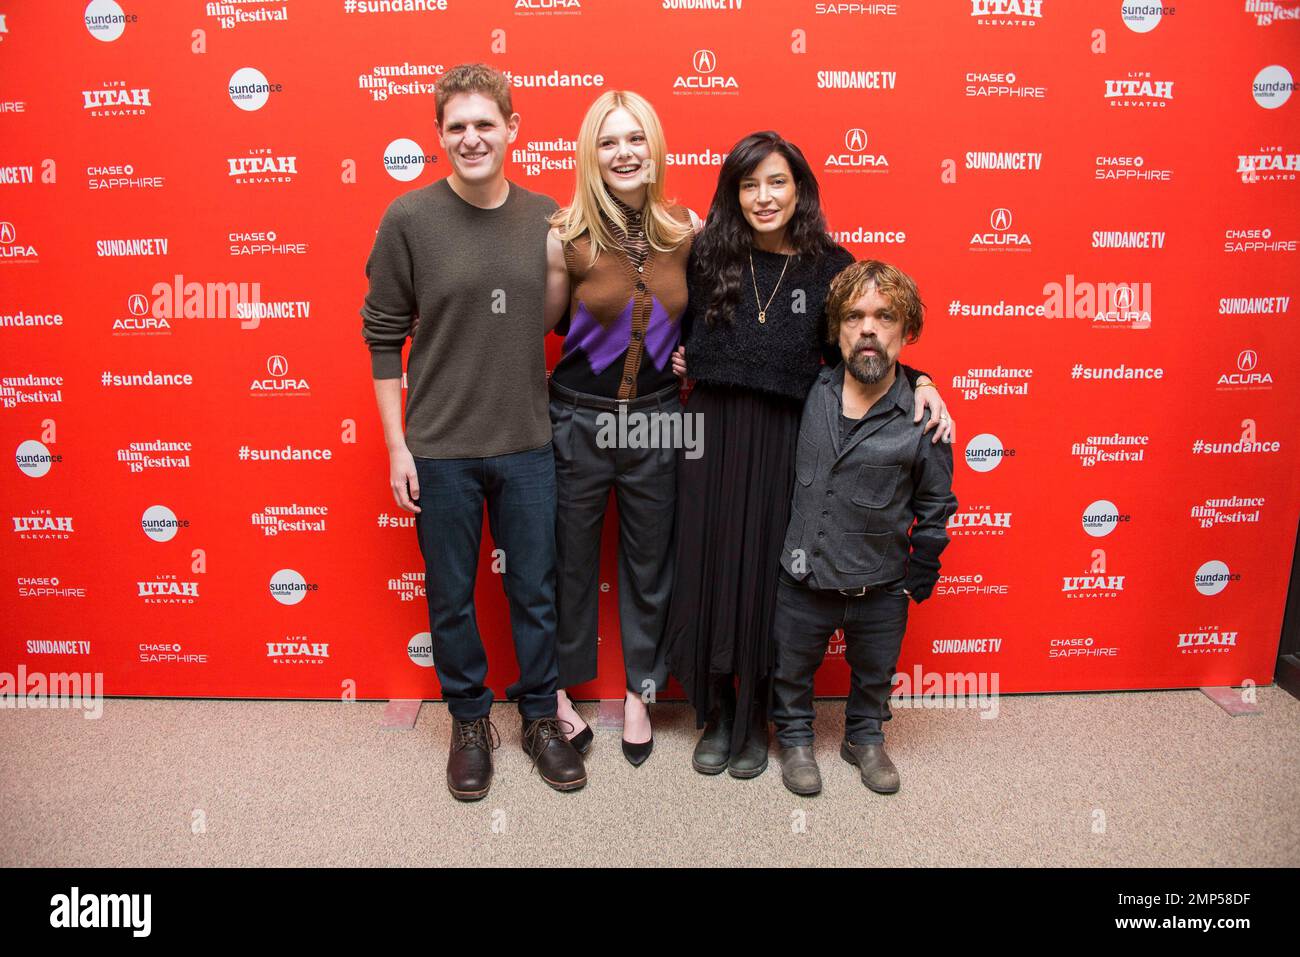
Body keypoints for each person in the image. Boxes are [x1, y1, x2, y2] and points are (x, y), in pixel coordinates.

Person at [665, 131, 955, 780]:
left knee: (768, 582)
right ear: (732, 192)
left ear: (801, 189)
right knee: (713, 571)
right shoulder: (707, 253)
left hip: (786, 440)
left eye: (777, 182)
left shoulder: (830, 266)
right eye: (748, 184)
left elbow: (868, 340)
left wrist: (925, 380)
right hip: (709, 435)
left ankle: (758, 721)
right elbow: (659, 327)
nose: (763, 197)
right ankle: (717, 712)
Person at [360, 63, 585, 801]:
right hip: (441, 448)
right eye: (456, 125)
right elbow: (383, 334)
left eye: (486, 122)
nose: (471, 136)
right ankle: (467, 721)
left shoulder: (547, 218)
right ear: (438, 135)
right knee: (452, 595)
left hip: (526, 441)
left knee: (535, 591)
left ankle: (540, 717)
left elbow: (566, 316)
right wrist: (398, 445)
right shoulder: (408, 220)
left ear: (513, 129)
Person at [543, 91, 702, 766]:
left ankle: (642, 690)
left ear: (655, 147)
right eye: (608, 142)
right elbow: (549, 328)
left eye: (635, 138)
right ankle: (552, 693)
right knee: (565, 562)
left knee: (649, 561)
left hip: (659, 419)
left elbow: (701, 317)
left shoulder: (684, 228)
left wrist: (694, 347)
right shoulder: (565, 235)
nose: (623, 153)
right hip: (578, 418)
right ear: (590, 153)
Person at [771, 260, 958, 797]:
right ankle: (797, 738)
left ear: (908, 330)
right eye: (854, 316)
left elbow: (937, 504)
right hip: (802, 577)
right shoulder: (806, 391)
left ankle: (865, 737)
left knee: (874, 675)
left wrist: (916, 576)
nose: (868, 329)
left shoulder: (926, 418)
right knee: (791, 671)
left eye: (885, 316)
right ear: (836, 329)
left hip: (880, 585)